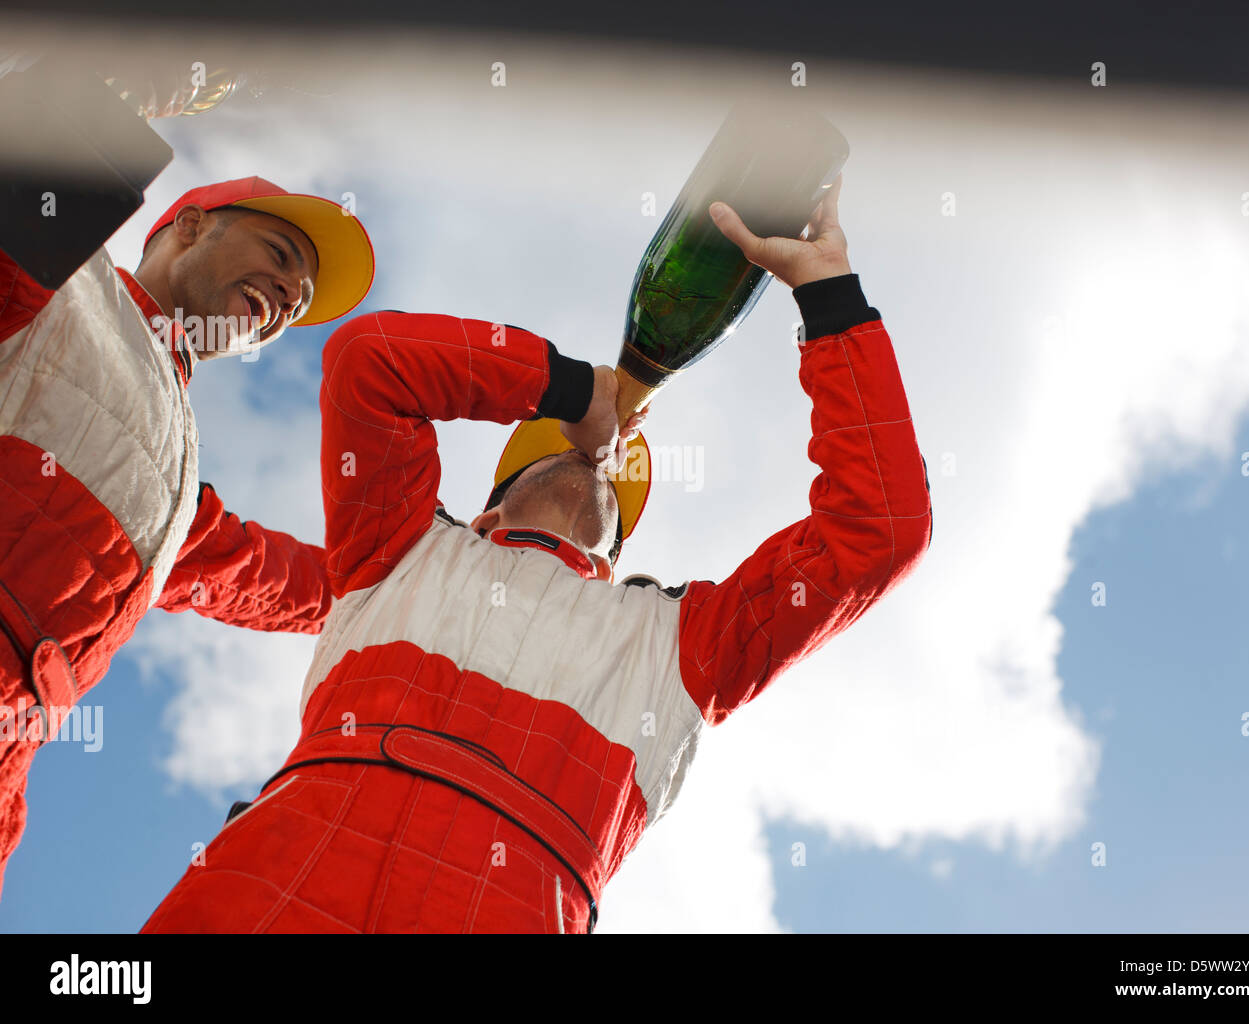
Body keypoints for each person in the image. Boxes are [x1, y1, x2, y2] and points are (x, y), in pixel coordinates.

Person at [140, 175, 933, 933]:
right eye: (557, 451)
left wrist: (829, 293)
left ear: (620, 556)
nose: (594, 459)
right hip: (268, 893)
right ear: (486, 510)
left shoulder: (684, 644)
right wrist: (569, 391)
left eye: (613, 480)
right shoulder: (395, 549)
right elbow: (370, 360)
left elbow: (879, 529)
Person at [0, 176, 375, 898]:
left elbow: (258, 574)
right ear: (192, 226)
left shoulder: (177, 481)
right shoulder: (67, 280)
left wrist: (413, 578)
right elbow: (38, 155)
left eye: (298, 300)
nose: (290, 294)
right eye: (280, 251)